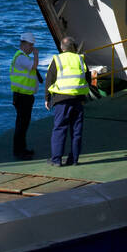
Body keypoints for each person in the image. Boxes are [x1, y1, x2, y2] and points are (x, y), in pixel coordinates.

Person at [44, 37, 90, 167]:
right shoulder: (80, 59)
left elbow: (49, 80)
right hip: (78, 100)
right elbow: (87, 78)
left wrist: (47, 98)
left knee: (60, 128)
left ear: (62, 48)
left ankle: (56, 160)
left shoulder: (57, 59)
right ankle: (74, 159)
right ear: (73, 47)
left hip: (62, 100)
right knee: (76, 130)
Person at [9, 30, 42, 159]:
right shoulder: (21, 57)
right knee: (22, 125)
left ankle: (22, 149)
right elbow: (34, 66)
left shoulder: (23, 57)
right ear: (23, 44)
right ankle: (19, 151)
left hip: (25, 96)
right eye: (30, 45)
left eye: (32, 45)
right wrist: (36, 55)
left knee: (23, 124)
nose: (32, 48)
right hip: (22, 96)